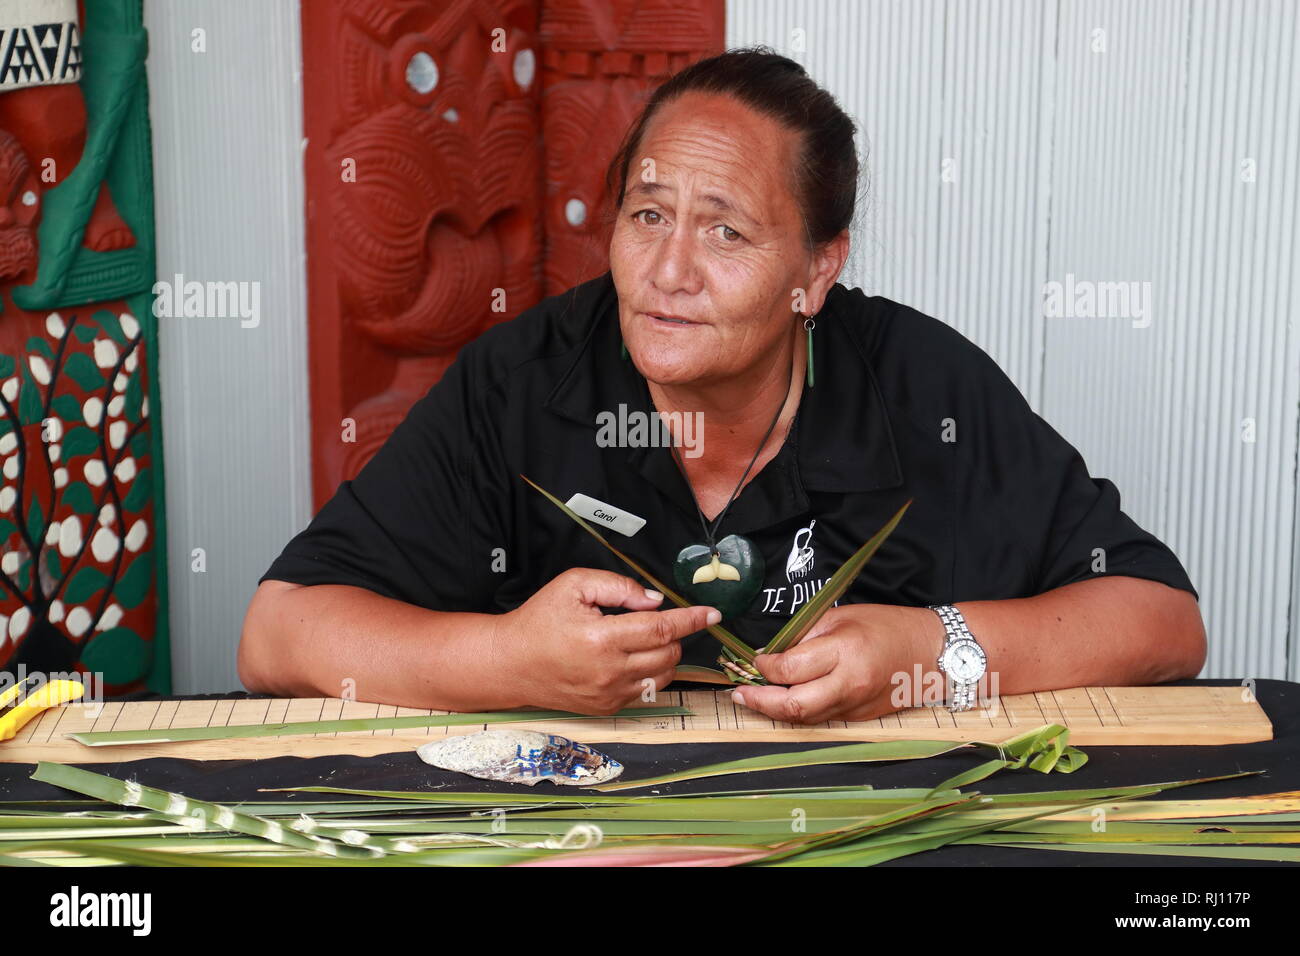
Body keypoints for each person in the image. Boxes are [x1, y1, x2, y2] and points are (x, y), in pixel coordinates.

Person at [239, 47, 1205, 724]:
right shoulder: (524, 385)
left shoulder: (921, 390)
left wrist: (932, 654)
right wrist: (507, 663)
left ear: (817, 270)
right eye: (647, 215)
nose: (668, 272)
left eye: (726, 232)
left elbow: (1162, 620)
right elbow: (278, 634)